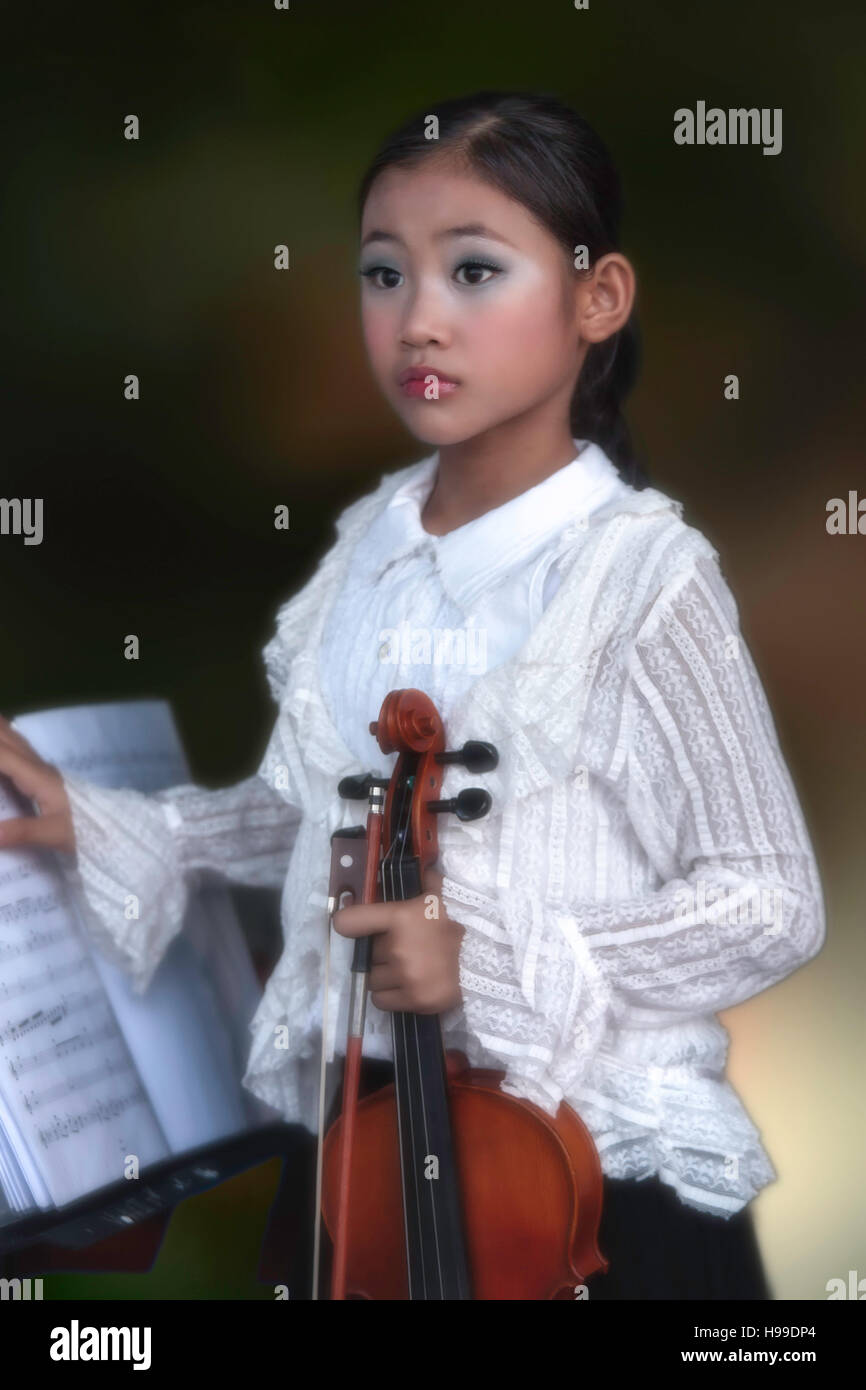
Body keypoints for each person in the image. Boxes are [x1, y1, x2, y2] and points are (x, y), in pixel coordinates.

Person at [0, 90, 826, 1299]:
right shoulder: (366, 550)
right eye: (384, 274)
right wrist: (116, 824)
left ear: (597, 298)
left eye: (474, 270)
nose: (417, 320)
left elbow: (770, 902)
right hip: (365, 1145)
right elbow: (323, 814)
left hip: (579, 1174)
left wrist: (485, 962)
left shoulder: (641, 577)